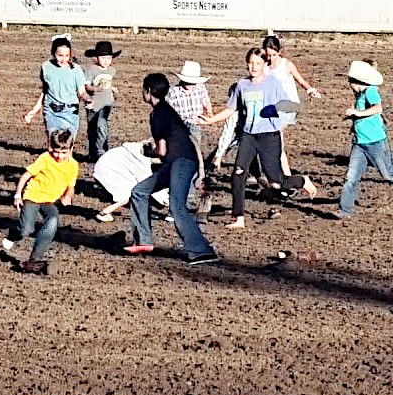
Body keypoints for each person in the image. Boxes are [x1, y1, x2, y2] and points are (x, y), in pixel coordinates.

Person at [198, 48, 318, 230]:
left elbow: (288, 106)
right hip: (248, 136)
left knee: (276, 182)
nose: (254, 67)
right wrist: (211, 119)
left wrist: (277, 116)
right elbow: (232, 109)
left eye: (258, 63)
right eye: (251, 63)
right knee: (238, 176)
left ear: (264, 65)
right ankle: (239, 218)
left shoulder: (273, 83)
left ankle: (302, 180)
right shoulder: (242, 85)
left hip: (269, 137)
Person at [124, 74, 218, 264]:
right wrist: (200, 168)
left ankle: (202, 251)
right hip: (180, 162)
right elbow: (189, 139)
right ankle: (144, 241)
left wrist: (147, 153)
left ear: (148, 92)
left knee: (177, 206)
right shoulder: (168, 110)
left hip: (179, 163)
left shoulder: (158, 114)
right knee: (139, 192)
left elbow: (161, 150)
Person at [336, 60, 393, 218]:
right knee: (351, 177)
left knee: (389, 173)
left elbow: (378, 108)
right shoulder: (359, 94)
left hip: (375, 142)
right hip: (359, 143)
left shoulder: (371, 91)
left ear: (356, 81)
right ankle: (345, 210)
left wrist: (358, 113)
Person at [3, 129, 79, 275]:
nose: (59, 156)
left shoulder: (73, 165)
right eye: (56, 151)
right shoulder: (45, 158)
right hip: (33, 196)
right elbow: (25, 176)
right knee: (26, 230)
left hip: (49, 201)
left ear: (71, 149)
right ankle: (14, 234)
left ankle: (35, 258)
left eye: (64, 153)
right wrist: (18, 195)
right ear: (50, 147)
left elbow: (71, 186)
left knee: (53, 221)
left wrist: (68, 196)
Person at [262, 35, 321, 176]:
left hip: (289, 106)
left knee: (274, 135)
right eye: (268, 55)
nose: (271, 58)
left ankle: (282, 175)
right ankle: (284, 174)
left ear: (280, 52)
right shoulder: (264, 66)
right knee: (272, 139)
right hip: (272, 107)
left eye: (274, 55)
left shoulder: (286, 65)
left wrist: (310, 90)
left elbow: (301, 80)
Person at [165, 60, 214, 212]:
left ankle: (190, 197)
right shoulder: (173, 92)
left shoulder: (201, 89)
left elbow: (207, 102)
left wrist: (210, 114)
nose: (190, 84)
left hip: (195, 127)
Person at [24, 34, 89, 135]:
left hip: (70, 111)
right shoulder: (46, 67)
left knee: (67, 145)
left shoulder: (76, 69)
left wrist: (87, 99)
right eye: (60, 56)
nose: (63, 59)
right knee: (54, 144)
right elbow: (45, 91)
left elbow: (82, 91)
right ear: (53, 53)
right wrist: (34, 110)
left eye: (67, 56)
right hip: (51, 110)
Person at [92, 140, 170, 223]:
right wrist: (166, 201)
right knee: (126, 196)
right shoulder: (142, 165)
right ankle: (104, 213)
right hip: (108, 174)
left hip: (101, 168)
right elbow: (151, 185)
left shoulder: (132, 147)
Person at [82, 40, 120, 164]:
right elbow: (87, 86)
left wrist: (112, 88)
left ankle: (102, 150)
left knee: (101, 125)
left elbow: (107, 83)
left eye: (109, 58)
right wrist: (95, 88)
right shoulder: (91, 70)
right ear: (96, 58)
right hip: (93, 104)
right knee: (92, 128)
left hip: (106, 103)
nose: (106, 60)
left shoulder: (112, 70)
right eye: (103, 57)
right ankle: (94, 153)